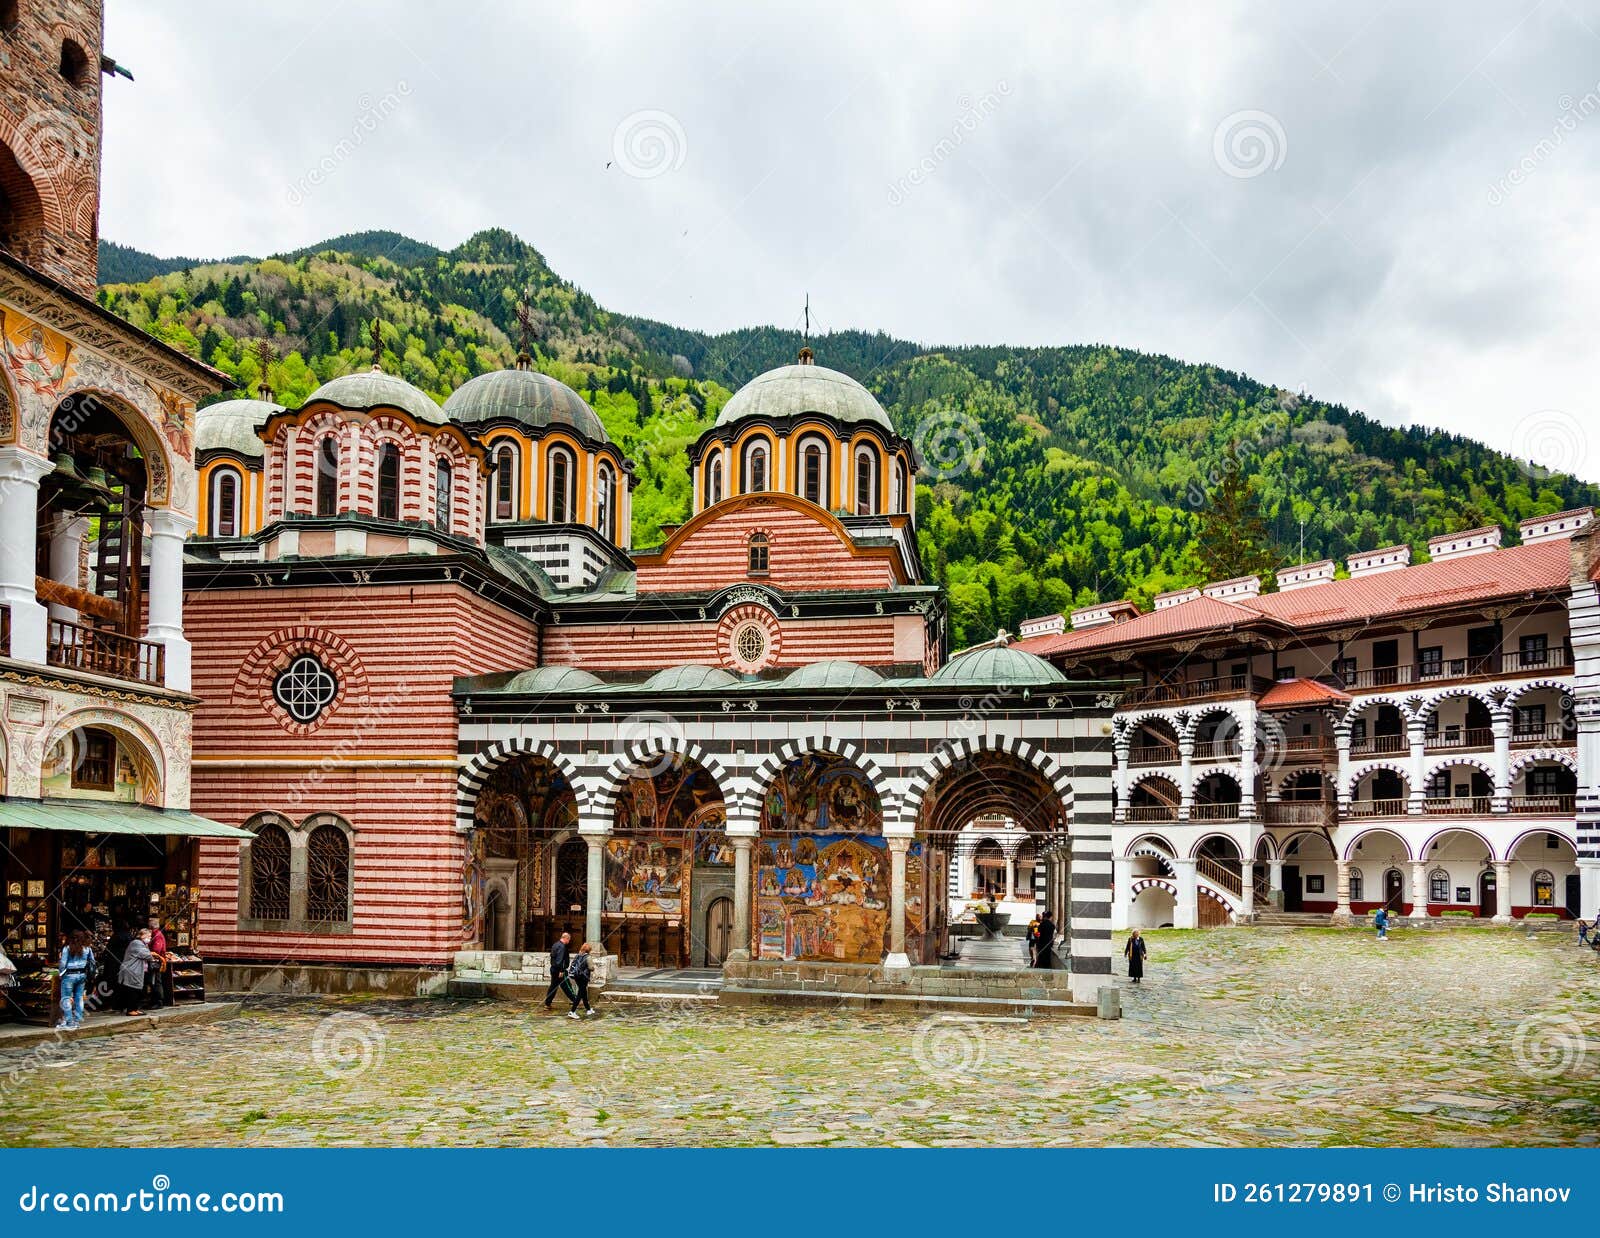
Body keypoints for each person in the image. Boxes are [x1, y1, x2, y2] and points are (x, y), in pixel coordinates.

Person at [57, 931, 94, 1030]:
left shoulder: (67, 948)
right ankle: (77, 1020)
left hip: (69, 975)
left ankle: (69, 1021)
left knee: (66, 998)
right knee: (79, 998)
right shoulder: (87, 948)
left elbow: (63, 963)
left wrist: (61, 973)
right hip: (82, 975)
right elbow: (92, 961)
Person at [116, 928, 155, 1017]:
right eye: (148, 936)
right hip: (132, 970)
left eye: (150, 936)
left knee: (136, 990)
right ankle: (131, 1010)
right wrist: (152, 954)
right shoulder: (136, 943)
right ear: (142, 935)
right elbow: (147, 955)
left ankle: (135, 1008)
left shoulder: (141, 944)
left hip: (136, 970)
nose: (150, 938)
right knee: (133, 990)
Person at [543, 931, 572, 1011]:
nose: (569, 942)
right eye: (569, 940)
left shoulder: (555, 944)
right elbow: (560, 960)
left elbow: (553, 958)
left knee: (553, 987)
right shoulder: (562, 947)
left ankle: (547, 1003)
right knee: (567, 986)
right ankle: (575, 1000)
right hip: (560, 970)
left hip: (553, 969)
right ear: (566, 938)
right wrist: (562, 971)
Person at [566, 941, 597, 1019]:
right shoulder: (588, 957)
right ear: (589, 950)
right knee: (580, 993)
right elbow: (591, 968)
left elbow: (573, 964)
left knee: (583, 992)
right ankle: (572, 1011)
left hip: (576, 976)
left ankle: (588, 1009)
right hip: (583, 977)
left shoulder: (577, 955)